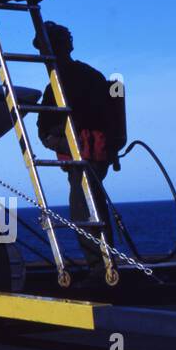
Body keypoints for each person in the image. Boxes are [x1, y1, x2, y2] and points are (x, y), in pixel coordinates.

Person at [33, 21, 124, 282]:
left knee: (83, 212)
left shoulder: (63, 82)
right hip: (92, 154)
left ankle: (101, 269)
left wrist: (54, 140)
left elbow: (48, 124)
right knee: (92, 209)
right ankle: (105, 265)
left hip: (85, 154)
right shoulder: (89, 75)